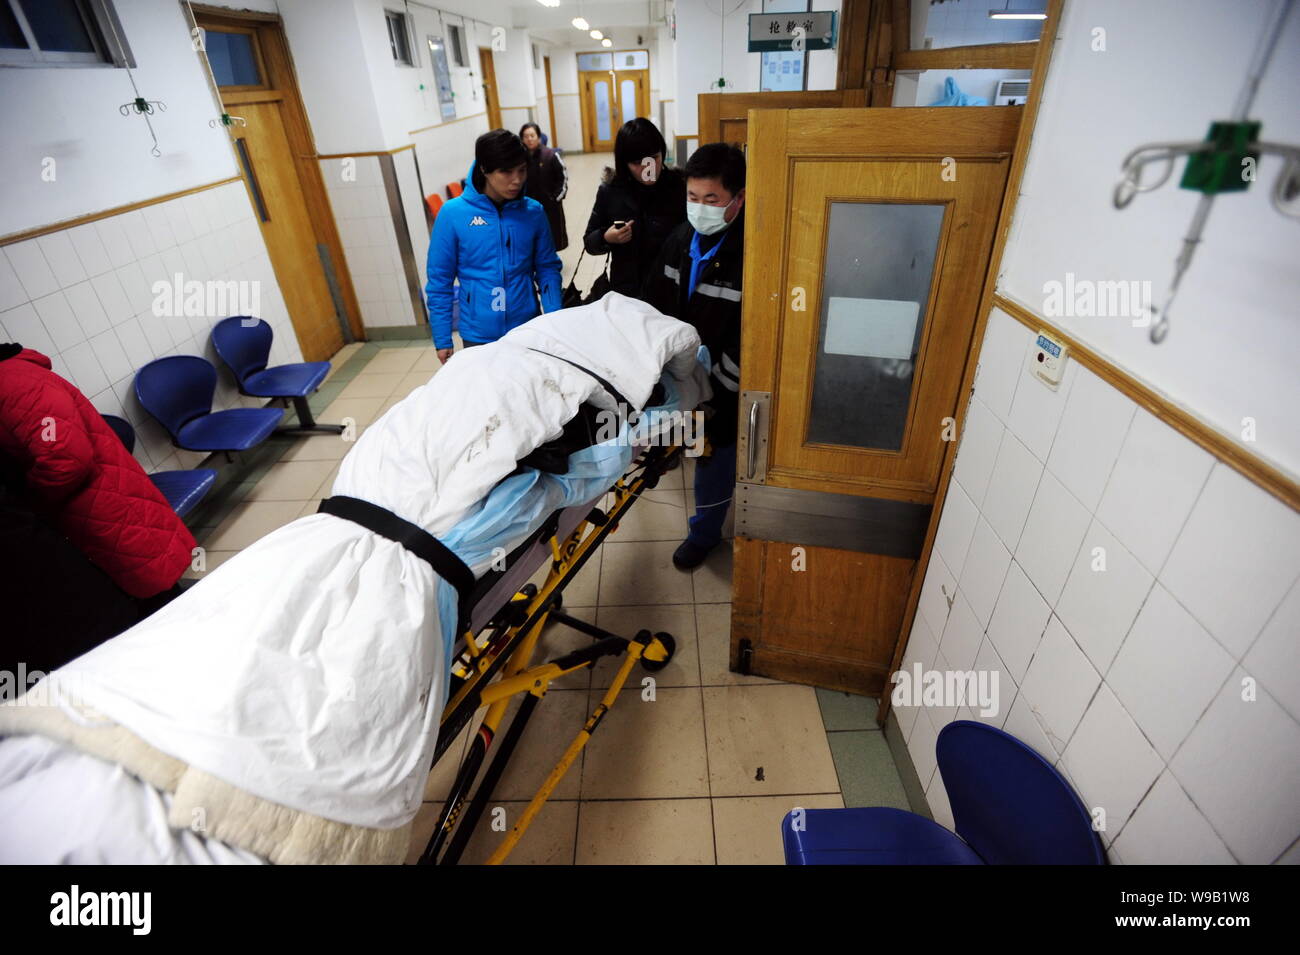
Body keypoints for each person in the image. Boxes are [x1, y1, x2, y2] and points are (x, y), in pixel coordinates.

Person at [0, 343, 194, 670]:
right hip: (100, 512)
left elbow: (66, 457)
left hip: (104, 513)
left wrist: (30, 500)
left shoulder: (13, 384)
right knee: (152, 603)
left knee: (161, 609)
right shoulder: (14, 379)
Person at [643, 143, 746, 569]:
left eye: (711, 200)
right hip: (679, 374)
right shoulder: (681, 240)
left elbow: (752, 337)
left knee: (714, 457)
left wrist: (716, 388)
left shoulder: (751, 253)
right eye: (692, 197)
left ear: (738, 198)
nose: (699, 208)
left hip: (725, 384)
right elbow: (652, 304)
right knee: (678, 441)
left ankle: (704, 533)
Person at [426, 129, 563, 363]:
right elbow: (440, 280)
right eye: (506, 172)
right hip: (477, 334)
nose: (517, 180)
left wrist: (554, 319)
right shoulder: (453, 214)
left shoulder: (533, 212)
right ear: (484, 169)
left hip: (527, 327)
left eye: (522, 171)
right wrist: (442, 337)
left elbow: (547, 269)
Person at [583, 118, 686, 300]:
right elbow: (590, 243)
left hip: (670, 290)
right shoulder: (610, 191)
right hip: (626, 292)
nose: (648, 168)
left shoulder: (678, 187)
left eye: (654, 158)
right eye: (638, 162)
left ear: (662, 152)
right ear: (624, 164)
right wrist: (607, 237)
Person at [520, 122, 568, 252]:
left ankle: (551, 262)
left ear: (539, 137)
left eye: (532, 135)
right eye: (526, 136)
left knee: (552, 235)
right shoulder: (520, 158)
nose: (529, 139)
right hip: (527, 205)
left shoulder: (550, 155)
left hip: (550, 205)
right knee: (532, 236)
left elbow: (562, 178)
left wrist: (556, 198)